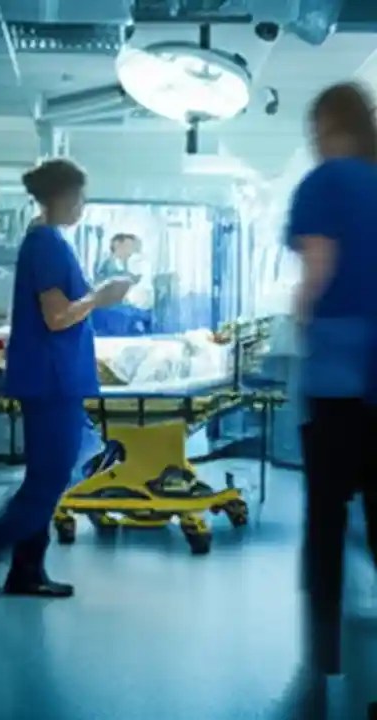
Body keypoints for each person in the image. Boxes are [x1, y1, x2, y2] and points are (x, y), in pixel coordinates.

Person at [0, 158, 132, 597]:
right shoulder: (45, 245)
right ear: (61, 197)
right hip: (50, 381)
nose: (83, 206)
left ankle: (26, 571)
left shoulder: (49, 241)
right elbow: (58, 317)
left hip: (55, 377)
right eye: (79, 197)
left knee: (49, 475)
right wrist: (103, 296)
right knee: (51, 478)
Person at [281, 81, 377, 716]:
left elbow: (317, 271)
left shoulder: (323, 183)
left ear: (324, 124)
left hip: (340, 375)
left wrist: (299, 315)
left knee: (326, 520)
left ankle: (321, 665)